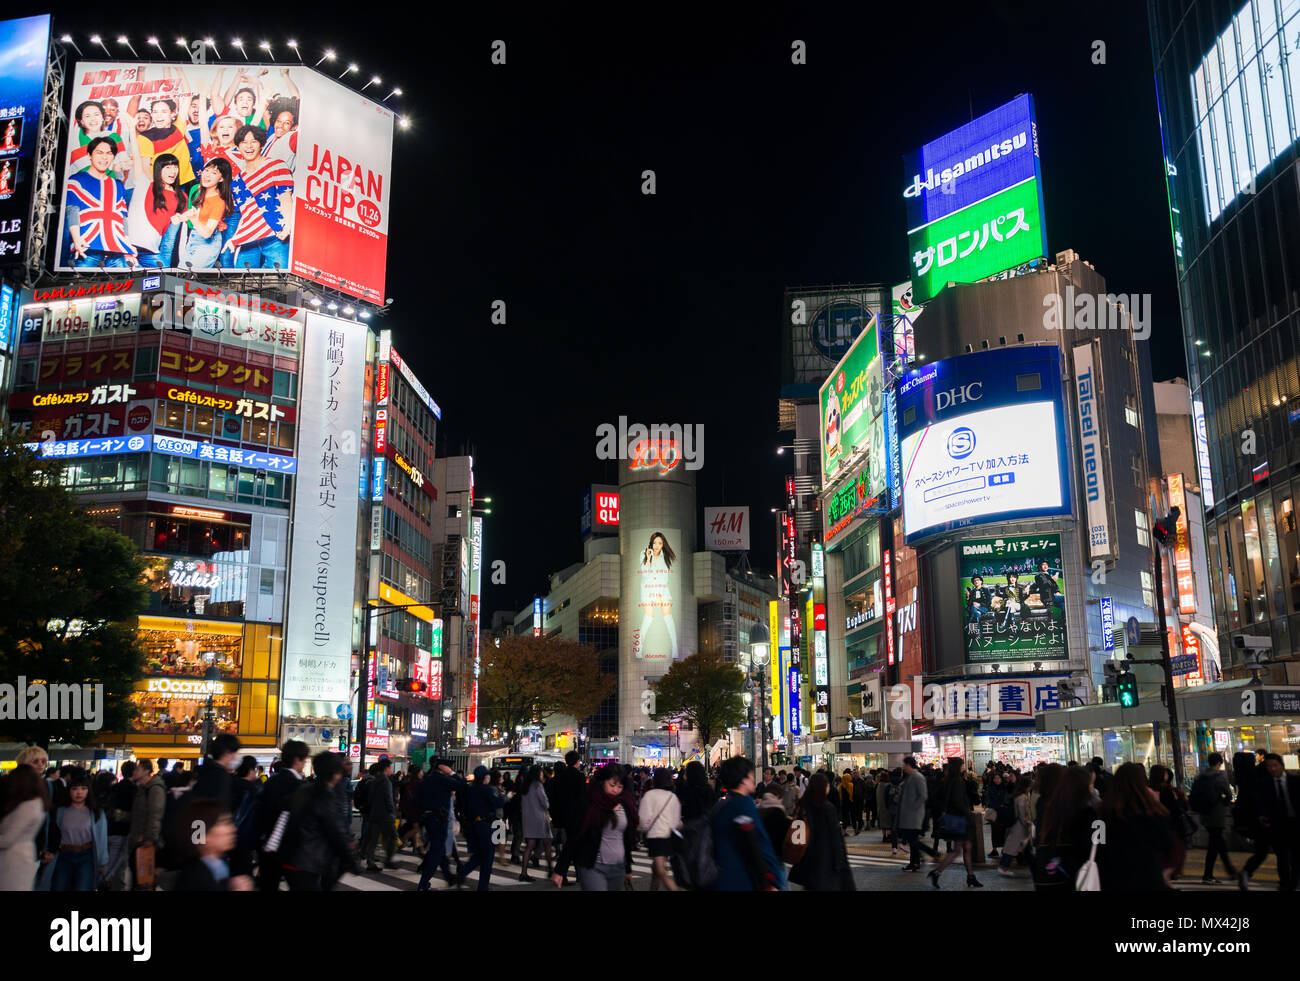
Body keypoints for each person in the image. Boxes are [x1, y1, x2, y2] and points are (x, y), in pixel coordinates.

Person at [277, 753, 361, 891]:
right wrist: (353, 863)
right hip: (307, 861)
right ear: (336, 773)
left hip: (290, 856)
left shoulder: (303, 789)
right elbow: (337, 833)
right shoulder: (327, 797)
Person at [712, 756, 786, 891]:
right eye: (750, 775)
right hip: (741, 878)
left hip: (722, 876)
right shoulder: (743, 804)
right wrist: (772, 878)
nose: (753, 778)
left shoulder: (722, 805)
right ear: (743, 780)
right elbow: (758, 842)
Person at [1096, 762, 1173, 891]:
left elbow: (1096, 845)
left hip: (1111, 879)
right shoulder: (1154, 813)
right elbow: (1166, 844)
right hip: (1147, 877)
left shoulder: (1102, 813)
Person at [65, 136, 137, 269]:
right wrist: (76, 239)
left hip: (116, 250)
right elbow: (72, 211)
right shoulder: (75, 181)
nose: (104, 157)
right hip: (87, 248)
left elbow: (122, 218)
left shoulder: (118, 186)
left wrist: (128, 246)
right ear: (89, 155)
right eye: (99, 152)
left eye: (109, 153)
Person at [573, 765, 638, 892]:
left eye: (620, 786)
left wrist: (628, 868)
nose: (615, 790)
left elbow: (626, 838)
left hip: (618, 866)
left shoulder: (625, 804)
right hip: (593, 865)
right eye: (612, 785)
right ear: (602, 782)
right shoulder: (591, 803)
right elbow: (577, 834)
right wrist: (560, 868)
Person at [1032, 766, 1096, 891]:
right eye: (1091, 784)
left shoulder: (1051, 807)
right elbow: (1098, 846)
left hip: (1055, 873)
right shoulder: (1089, 813)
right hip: (1080, 875)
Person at [258, 741, 309, 892]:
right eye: (304, 760)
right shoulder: (298, 785)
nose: (304, 763)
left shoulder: (271, 781)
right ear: (297, 760)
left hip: (268, 842)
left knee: (268, 885)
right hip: (289, 847)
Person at [788, 772, 853, 891]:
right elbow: (836, 840)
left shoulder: (802, 806)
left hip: (807, 862)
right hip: (826, 861)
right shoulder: (827, 808)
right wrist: (841, 865)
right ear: (823, 787)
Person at [48, 772, 109, 892]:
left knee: (83, 887)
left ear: (88, 791)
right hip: (64, 854)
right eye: (74, 788)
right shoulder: (60, 811)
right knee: (58, 886)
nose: (79, 792)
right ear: (69, 791)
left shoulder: (96, 813)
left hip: (86, 856)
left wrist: (102, 862)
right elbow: (53, 833)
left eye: (83, 788)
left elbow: (101, 838)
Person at [175, 798, 252, 891]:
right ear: (204, 836)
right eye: (224, 823)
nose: (232, 829)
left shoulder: (216, 868)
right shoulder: (195, 879)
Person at [927, 757, 981, 888]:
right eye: (962, 765)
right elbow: (958, 801)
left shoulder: (948, 781)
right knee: (959, 849)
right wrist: (967, 813)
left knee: (966, 848)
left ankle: (970, 876)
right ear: (958, 767)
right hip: (960, 819)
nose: (964, 767)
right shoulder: (958, 781)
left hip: (954, 818)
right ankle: (938, 872)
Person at [1249, 752, 1299, 891]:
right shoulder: (1265, 783)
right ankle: (1284, 883)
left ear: (1281, 766)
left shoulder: (1294, 781)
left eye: (1275, 765)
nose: (1272, 769)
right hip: (1277, 824)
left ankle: (1293, 883)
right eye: (1269, 766)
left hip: (1294, 823)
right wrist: (1262, 816)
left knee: (1295, 856)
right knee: (1281, 856)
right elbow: (1261, 803)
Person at [175, 156, 236, 269]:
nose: (207, 175)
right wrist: (181, 217)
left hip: (208, 242)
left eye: (213, 173)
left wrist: (194, 220)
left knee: (190, 276)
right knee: (181, 276)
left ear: (221, 178)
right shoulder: (198, 189)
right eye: (206, 170)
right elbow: (193, 212)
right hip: (193, 238)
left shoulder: (218, 201)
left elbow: (207, 232)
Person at [415, 760, 467, 890]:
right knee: (436, 852)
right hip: (439, 820)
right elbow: (463, 785)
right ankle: (423, 883)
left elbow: (415, 800)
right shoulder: (442, 780)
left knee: (440, 849)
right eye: (449, 767)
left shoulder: (426, 780)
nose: (450, 769)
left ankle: (449, 877)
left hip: (427, 819)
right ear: (443, 768)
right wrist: (452, 773)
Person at [0, 766, 51, 890]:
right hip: (21, 855)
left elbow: (8, 839)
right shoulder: (36, 802)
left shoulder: (28, 806)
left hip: (14, 858)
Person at [457, 766, 507, 890]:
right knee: (487, 857)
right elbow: (498, 803)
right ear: (485, 777)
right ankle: (482, 886)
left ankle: (461, 874)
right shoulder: (487, 790)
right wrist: (504, 795)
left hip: (473, 826)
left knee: (478, 855)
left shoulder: (470, 789)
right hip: (486, 826)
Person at [1190, 752, 1237, 884]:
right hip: (1217, 814)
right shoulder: (1219, 777)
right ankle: (1208, 875)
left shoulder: (1200, 777)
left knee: (1217, 841)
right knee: (1214, 844)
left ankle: (1230, 870)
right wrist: (1224, 804)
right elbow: (1228, 795)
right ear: (1218, 763)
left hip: (1204, 815)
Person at [636, 532, 679, 659]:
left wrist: (659, 591)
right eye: (655, 542)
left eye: (659, 543)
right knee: (648, 617)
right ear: (651, 543)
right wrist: (648, 559)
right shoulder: (643, 553)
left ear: (663, 545)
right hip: (647, 589)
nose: (656, 545)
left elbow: (663, 577)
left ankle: (675, 648)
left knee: (668, 617)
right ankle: (639, 648)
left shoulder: (665, 557)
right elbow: (644, 574)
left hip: (661, 589)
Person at [547, 750, 586, 887]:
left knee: (572, 843)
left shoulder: (559, 777)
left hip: (562, 816)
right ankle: (560, 871)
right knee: (572, 843)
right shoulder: (580, 777)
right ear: (577, 762)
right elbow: (583, 799)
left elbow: (554, 799)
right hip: (576, 816)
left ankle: (567, 874)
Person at [639, 769, 682, 891]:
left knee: (661, 871)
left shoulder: (649, 795)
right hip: (668, 837)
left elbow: (643, 820)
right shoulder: (672, 797)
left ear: (655, 779)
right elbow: (676, 820)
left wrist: (645, 828)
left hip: (655, 837)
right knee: (656, 870)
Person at [127, 758, 167, 889]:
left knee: (144, 880)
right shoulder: (142, 789)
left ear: (146, 771)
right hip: (138, 840)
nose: (135, 771)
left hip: (146, 842)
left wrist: (150, 838)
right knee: (138, 878)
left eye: (138, 769)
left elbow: (155, 815)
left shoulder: (154, 789)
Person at [1149, 764, 1191, 882]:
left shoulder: (1147, 789)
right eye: (1165, 773)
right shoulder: (1168, 790)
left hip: (1156, 828)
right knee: (1174, 852)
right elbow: (1176, 809)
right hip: (1170, 826)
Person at [897, 757, 939, 871]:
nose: (904, 767)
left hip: (914, 815)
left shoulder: (917, 777)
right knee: (912, 840)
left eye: (905, 765)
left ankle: (931, 853)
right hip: (909, 815)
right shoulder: (910, 777)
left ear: (909, 765)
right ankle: (915, 862)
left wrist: (913, 808)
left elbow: (923, 795)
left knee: (912, 839)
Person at [103, 761, 136, 891]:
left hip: (110, 828)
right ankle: (105, 881)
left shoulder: (115, 787)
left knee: (111, 858)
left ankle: (109, 881)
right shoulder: (134, 790)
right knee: (118, 861)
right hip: (124, 830)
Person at [518, 766, 554, 882]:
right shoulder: (538, 786)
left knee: (529, 846)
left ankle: (523, 872)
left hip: (528, 819)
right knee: (547, 843)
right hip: (540, 819)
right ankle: (550, 869)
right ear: (538, 774)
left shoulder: (525, 786)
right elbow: (545, 803)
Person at [362, 759, 398, 872]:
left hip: (374, 814)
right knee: (393, 837)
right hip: (386, 815)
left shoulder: (374, 781)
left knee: (374, 839)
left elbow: (370, 798)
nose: (391, 770)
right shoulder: (386, 781)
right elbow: (388, 799)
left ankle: (370, 861)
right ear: (386, 769)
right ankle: (388, 860)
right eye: (390, 768)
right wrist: (392, 811)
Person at [998, 774, 1035, 877]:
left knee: (1021, 848)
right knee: (1014, 847)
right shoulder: (1022, 797)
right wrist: (1028, 823)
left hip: (1017, 825)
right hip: (1020, 827)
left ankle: (1034, 868)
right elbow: (1023, 813)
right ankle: (1004, 866)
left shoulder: (1016, 795)